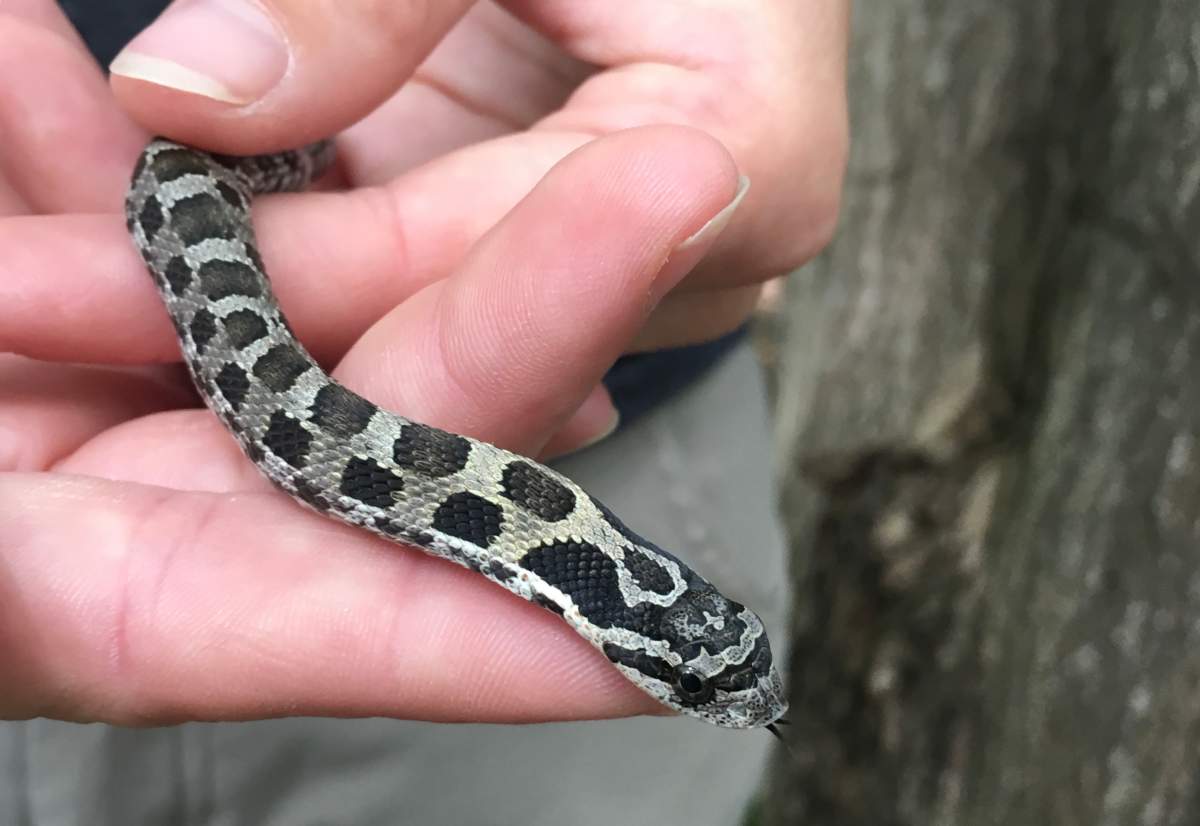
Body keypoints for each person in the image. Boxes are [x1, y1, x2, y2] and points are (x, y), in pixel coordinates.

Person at [0, 1, 848, 822]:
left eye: (710, 676)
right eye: (695, 685)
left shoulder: (585, 573)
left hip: (641, 415)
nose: (738, 696)